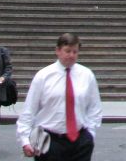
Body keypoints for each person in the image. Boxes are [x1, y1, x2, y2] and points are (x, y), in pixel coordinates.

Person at [17, 33, 102, 161]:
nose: (71, 55)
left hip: (80, 140)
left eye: (75, 52)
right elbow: (29, 109)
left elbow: (94, 107)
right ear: (57, 51)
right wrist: (25, 139)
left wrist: (90, 134)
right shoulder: (43, 76)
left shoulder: (87, 75)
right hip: (47, 139)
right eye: (67, 51)